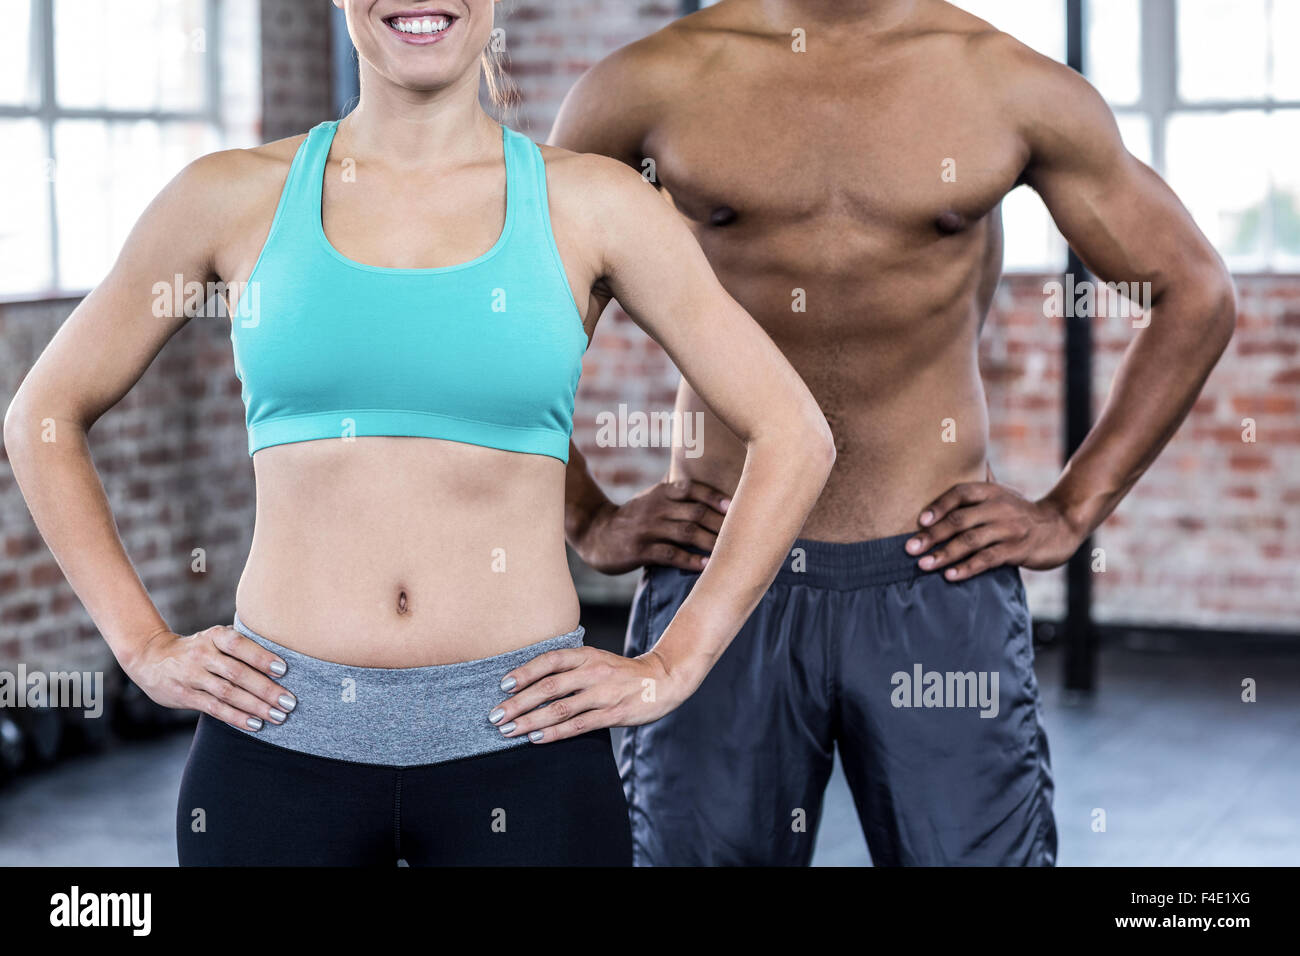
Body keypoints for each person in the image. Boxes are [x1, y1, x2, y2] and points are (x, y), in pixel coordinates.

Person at [2, 0, 835, 866]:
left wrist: (675, 665)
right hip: (279, 742)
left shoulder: (593, 203)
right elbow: (43, 415)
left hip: (525, 745)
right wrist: (143, 647)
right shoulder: (230, 195)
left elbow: (793, 432)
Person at [552, 0, 1236, 865]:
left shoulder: (1009, 86)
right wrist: (584, 516)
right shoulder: (646, 84)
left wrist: (1071, 509)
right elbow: (515, 330)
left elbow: (1194, 292)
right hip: (720, 578)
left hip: (934, 576)